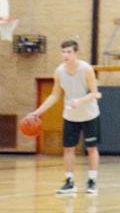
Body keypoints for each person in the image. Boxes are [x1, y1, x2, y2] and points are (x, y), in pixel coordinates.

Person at [28, 40, 102, 194]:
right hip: (70, 116)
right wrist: (37, 112)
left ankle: (92, 181)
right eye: (63, 52)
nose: (65, 55)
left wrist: (79, 101)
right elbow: (54, 95)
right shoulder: (59, 71)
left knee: (91, 148)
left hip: (89, 115)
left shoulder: (86, 69)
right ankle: (69, 182)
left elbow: (95, 93)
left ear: (76, 53)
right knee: (68, 149)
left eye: (69, 52)